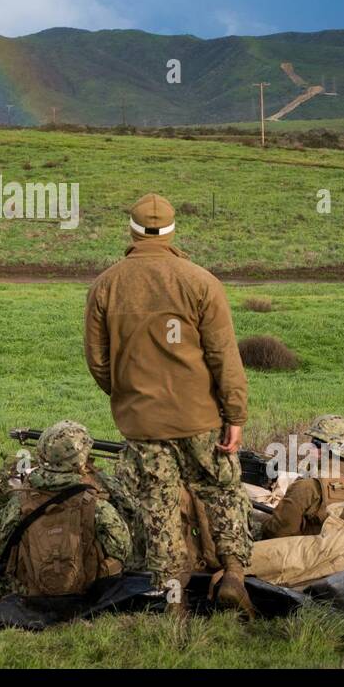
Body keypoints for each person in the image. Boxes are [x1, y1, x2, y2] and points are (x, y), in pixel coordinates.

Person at [83, 192, 253, 613]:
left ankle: (172, 601)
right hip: (200, 419)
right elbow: (224, 357)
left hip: (143, 424)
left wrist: (127, 395)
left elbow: (98, 361)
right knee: (222, 493)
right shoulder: (201, 282)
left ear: (132, 230)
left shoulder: (105, 285)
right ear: (173, 231)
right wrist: (234, 414)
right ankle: (232, 574)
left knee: (158, 510)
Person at [0, 421, 131, 597]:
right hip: (86, 589)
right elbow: (122, 550)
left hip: (28, 589)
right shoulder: (95, 503)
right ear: (80, 461)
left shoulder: (21, 501)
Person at [261, 415, 344, 539]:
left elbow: (277, 532)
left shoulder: (307, 489)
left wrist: (263, 523)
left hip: (314, 561)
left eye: (316, 443)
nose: (309, 447)